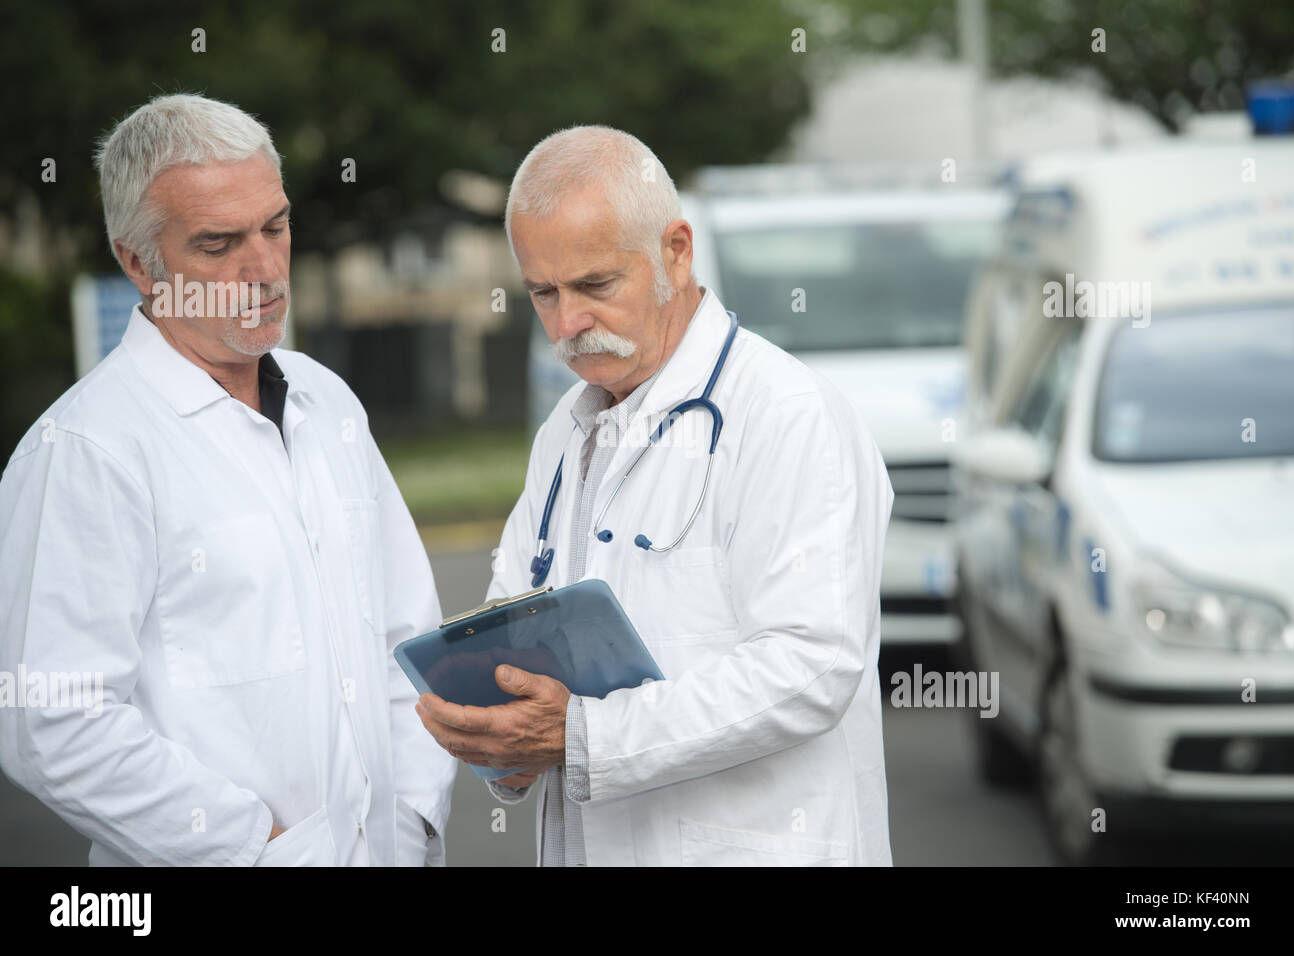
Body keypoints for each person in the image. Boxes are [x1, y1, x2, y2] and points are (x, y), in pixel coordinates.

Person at [415, 126, 894, 866]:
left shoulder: (787, 415)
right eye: (543, 293)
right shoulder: (565, 431)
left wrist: (583, 737)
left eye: (596, 286)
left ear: (676, 250)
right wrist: (501, 737)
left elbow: (812, 667)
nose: (568, 324)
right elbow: (510, 620)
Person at [0, 94, 456, 866]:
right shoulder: (85, 450)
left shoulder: (327, 399)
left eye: (275, 226)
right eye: (219, 244)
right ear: (137, 262)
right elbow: (52, 720)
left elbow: (407, 641)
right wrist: (259, 850)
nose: (265, 268)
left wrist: (411, 824)